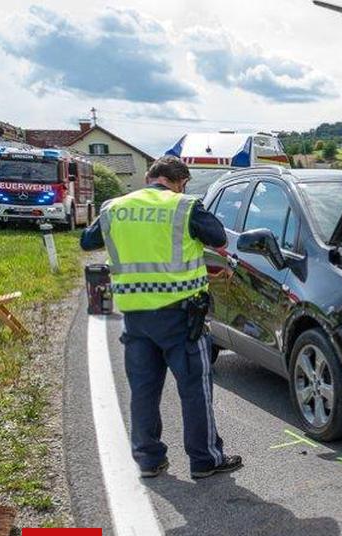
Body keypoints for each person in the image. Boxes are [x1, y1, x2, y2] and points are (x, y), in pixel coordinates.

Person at [81, 156, 242, 480]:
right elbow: (219, 239)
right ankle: (204, 459)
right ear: (180, 182)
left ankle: (149, 460)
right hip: (179, 315)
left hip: (136, 318)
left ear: (148, 178)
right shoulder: (184, 205)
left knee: (143, 390)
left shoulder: (114, 207)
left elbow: (88, 242)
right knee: (195, 388)